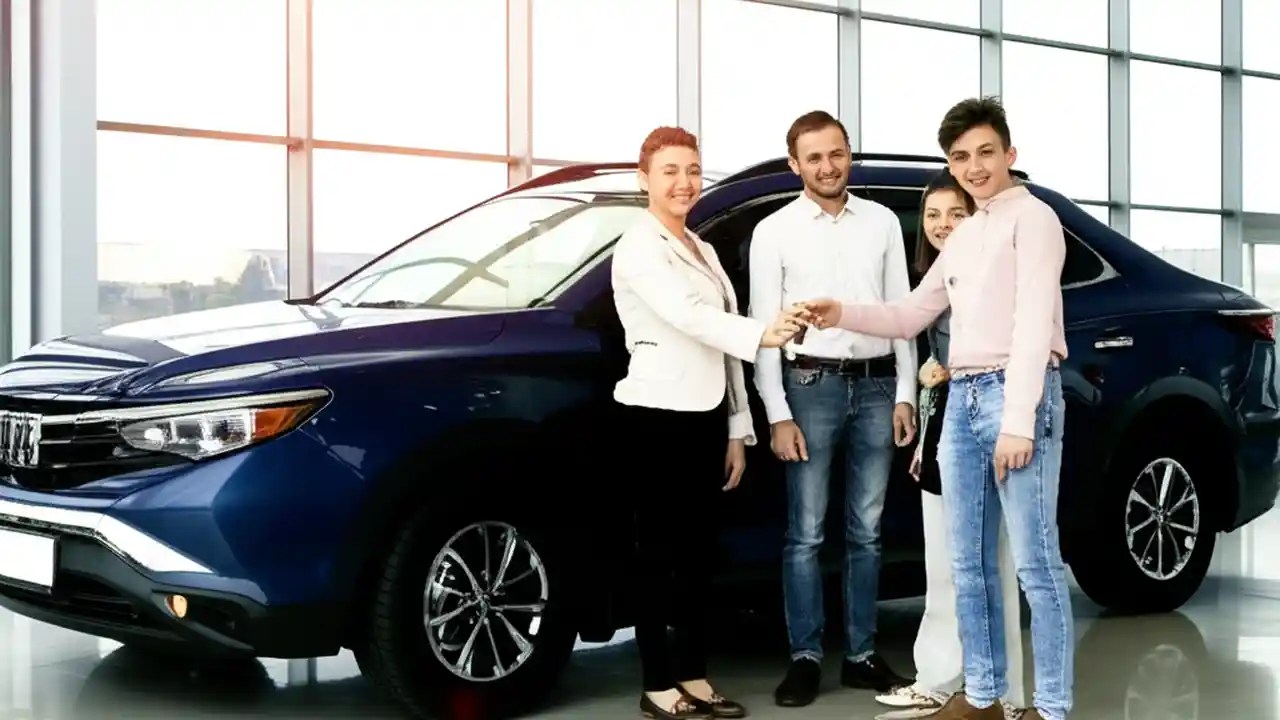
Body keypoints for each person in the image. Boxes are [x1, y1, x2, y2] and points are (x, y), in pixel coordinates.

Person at [801, 96, 1073, 720]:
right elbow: (909, 313)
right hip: (963, 400)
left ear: (1009, 153)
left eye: (985, 153)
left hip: (1016, 394)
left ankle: (1053, 709)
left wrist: (1018, 421)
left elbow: (1035, 323)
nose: (974, 167)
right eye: (960, 157)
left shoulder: (1034, 219)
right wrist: (840, 312)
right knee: (966, 565)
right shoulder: (967, 234)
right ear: (950, 164)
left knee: (1036, 565)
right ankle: (982, 697)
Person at [613, 125, 808, 720]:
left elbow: (721, 350)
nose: (684, 182)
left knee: (698, 556)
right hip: (655, 416)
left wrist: (737, 427)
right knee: (656, 556)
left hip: (704, 416)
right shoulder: (639, 245)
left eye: (693, 170)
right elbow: (688, 316)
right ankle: (657, 684)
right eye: (670, 170)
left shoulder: (702, 247)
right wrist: (763, 333)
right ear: (644, 179)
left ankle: (694, 676)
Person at [748, 110, 918, 708]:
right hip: (809, 386)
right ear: (795, 164)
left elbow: (902, 313)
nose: (828, 166)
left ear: (850, 155)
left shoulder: (882, 223)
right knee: (806, 533)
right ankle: (805, 657)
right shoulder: (773, 231)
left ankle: (862, 656)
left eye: (837, 153)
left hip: (877, 388)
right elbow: (765, 329)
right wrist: (777, 413)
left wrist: (906, 391)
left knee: (867, 531)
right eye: (815, 157)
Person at [873, 170, 1027, 720]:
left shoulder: (998, 276)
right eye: (933, 215)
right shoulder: (936, 281)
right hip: (944, 432)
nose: (942, 225)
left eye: (955, 214)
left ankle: (1005, 696)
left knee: (992, 565)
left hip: (991, 429)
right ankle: (938, 680)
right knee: (943, 564)